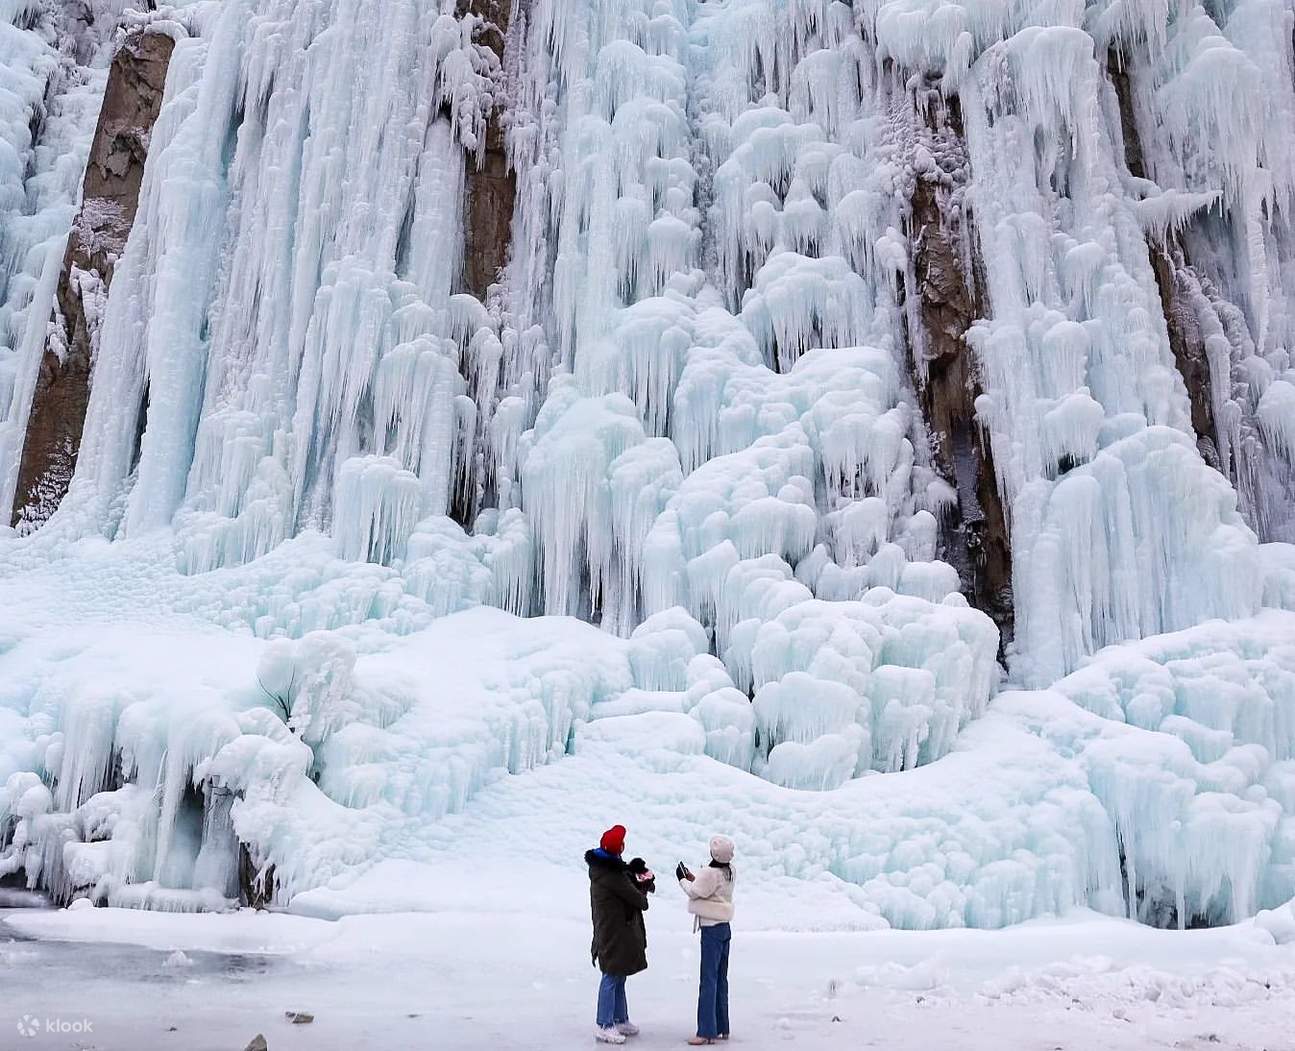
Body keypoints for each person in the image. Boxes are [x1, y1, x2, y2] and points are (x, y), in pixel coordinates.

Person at [586, 824, 653, 1044]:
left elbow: (624, 880)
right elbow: (639, 901)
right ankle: (604, 1024)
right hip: (614, 933)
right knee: (612, 975)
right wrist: (644, 884)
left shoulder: (604, 869)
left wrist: (632, 873)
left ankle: (619, 1018)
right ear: (619, 848)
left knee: (618, 975)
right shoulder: (613, 877)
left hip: (612, 930)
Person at [677, 835, 736, 1046]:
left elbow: (695, 893)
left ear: (714, 854)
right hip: (725, 928)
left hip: (711, 930)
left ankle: (705, 1031)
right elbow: (709, 890)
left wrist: (682, 879)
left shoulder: (710, 873)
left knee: (708, 980)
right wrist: (696, 877)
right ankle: (722, 1027)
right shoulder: (729, 871)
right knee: (721, 978)